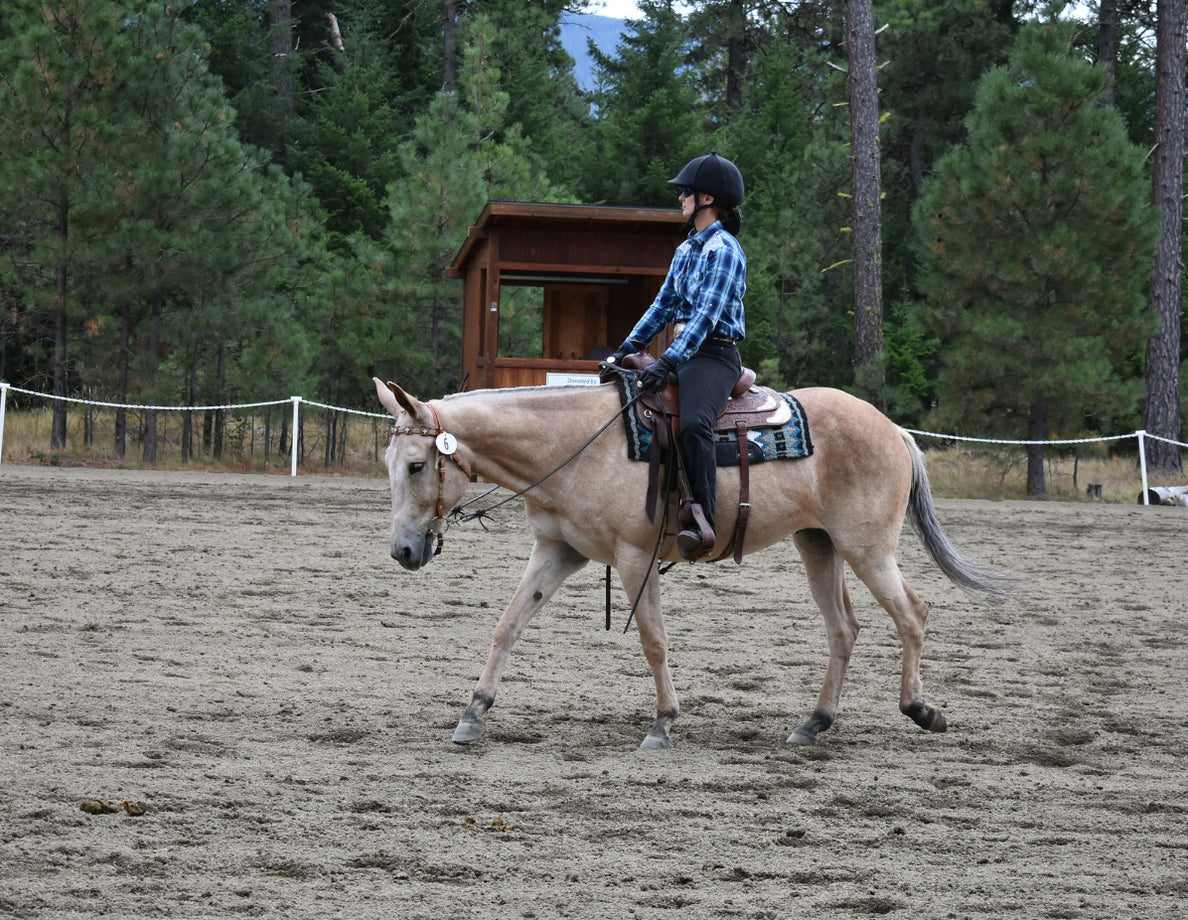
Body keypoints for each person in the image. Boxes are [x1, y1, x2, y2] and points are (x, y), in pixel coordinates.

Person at [602, 152, 746, 560]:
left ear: (706, 199)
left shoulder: (725, 250)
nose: (680, 197)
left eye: (686, 191)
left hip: (714, 355)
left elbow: (705, 317)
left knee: (696, 423)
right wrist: (627, 348)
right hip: (683, 354)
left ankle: (703, 521)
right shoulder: (685, 250)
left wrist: (666, 360)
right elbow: (662, 307)